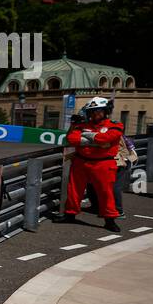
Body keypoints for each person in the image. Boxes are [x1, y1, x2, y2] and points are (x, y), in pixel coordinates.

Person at [58, 96, 123, 232]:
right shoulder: (81, 125)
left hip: (103, 164)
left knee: (106, 193)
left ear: (106, 111)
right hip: (81, 162)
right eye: (92, 111)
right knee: (74, 190)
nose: (95, 114)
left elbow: (108, 138)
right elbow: (72, 139)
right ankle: (70, 215)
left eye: (99, 110)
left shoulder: (115, 125)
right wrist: (97, 141)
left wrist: (87, 137)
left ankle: (109, 220)